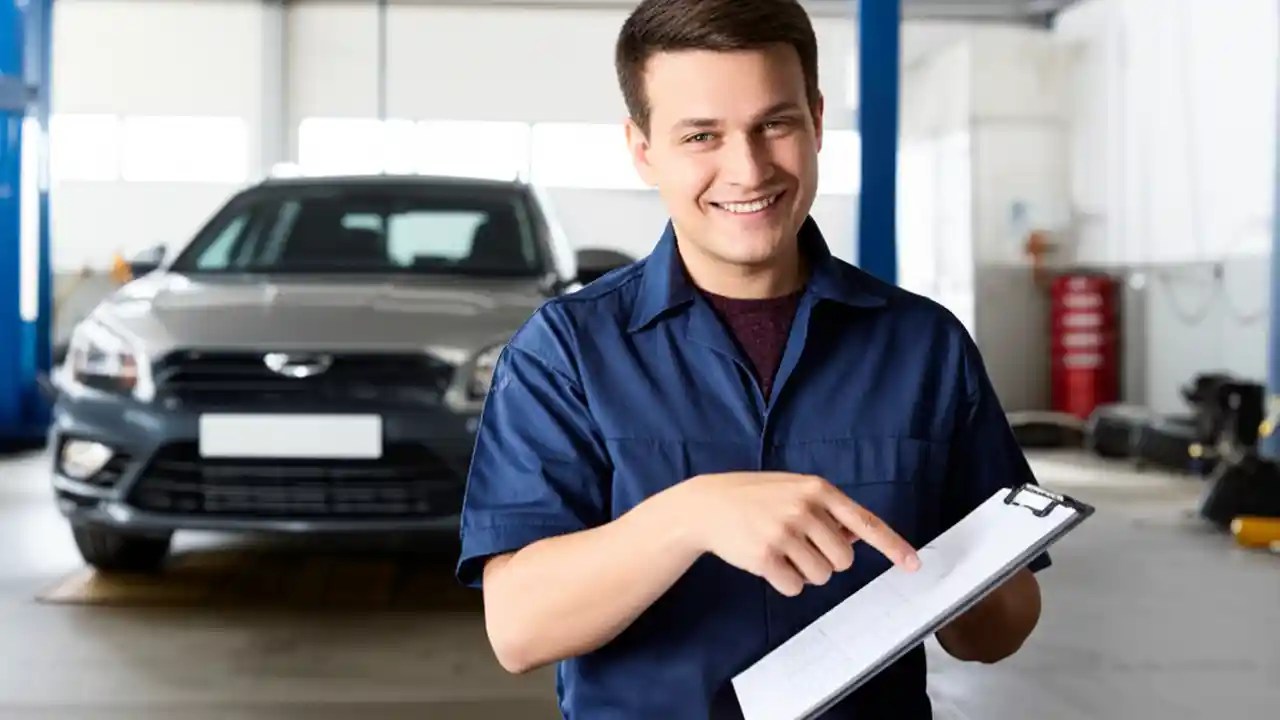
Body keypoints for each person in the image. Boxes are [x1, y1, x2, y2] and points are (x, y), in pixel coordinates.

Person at [455, 0, 1048, 717]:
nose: (748, 168)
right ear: (642, 149)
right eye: (702, 135)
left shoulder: (924, 346)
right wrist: (688, 518)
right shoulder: (567, 352)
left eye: (776, 124)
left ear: (818, 122)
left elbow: (998, 630)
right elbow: (519, 629)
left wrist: (966, 588)